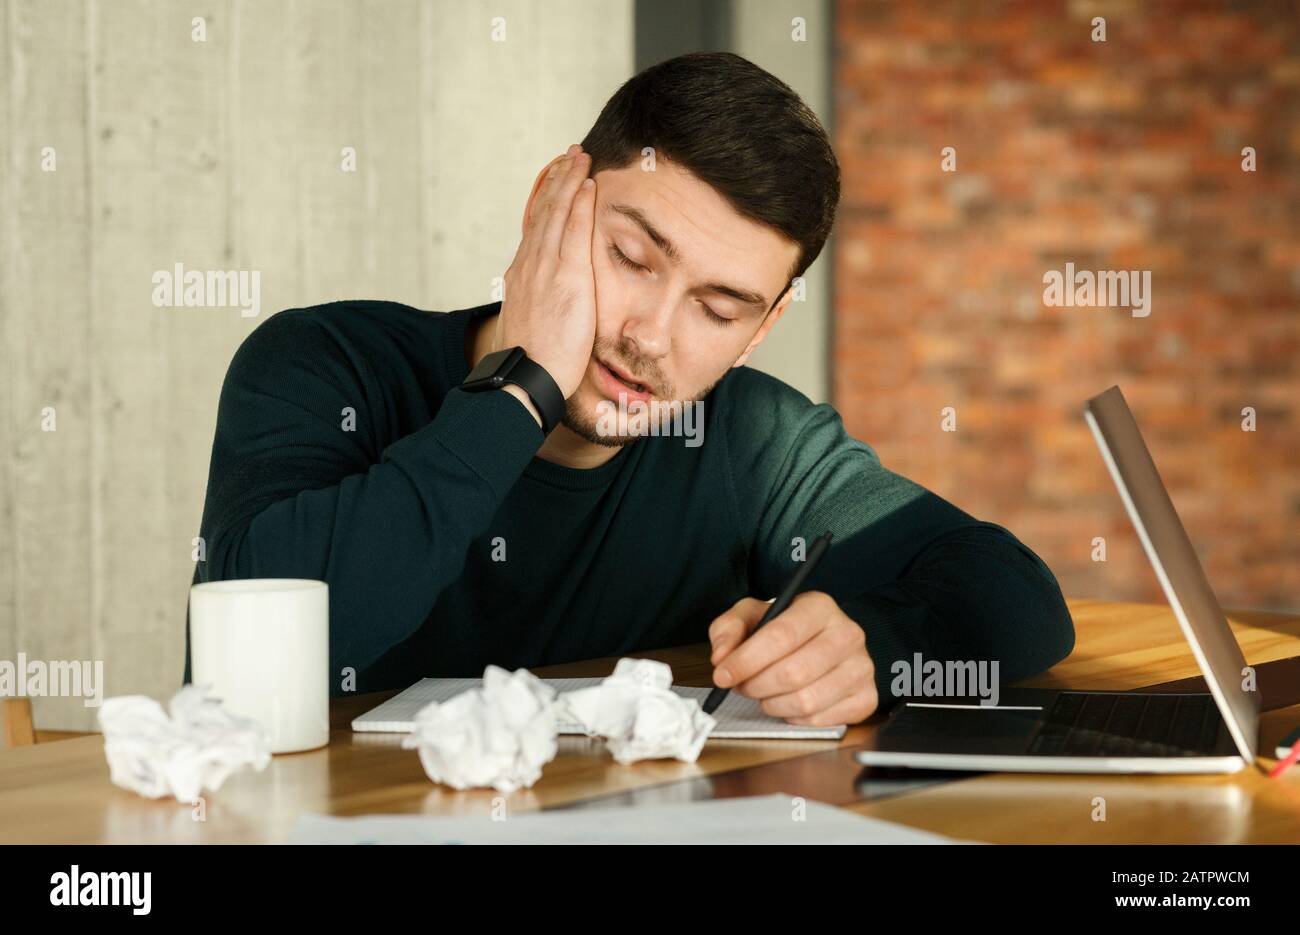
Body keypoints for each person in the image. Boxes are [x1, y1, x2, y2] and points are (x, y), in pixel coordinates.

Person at [186, 52, 1073, 726]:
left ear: (763, 327)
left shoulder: (750, 444)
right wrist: (521, 387)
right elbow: (263, 651)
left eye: (719, 310)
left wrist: (875, 647)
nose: (651, 336)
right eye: (631, 258)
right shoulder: (323, 364)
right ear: (549, 201)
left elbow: (1018, 595)